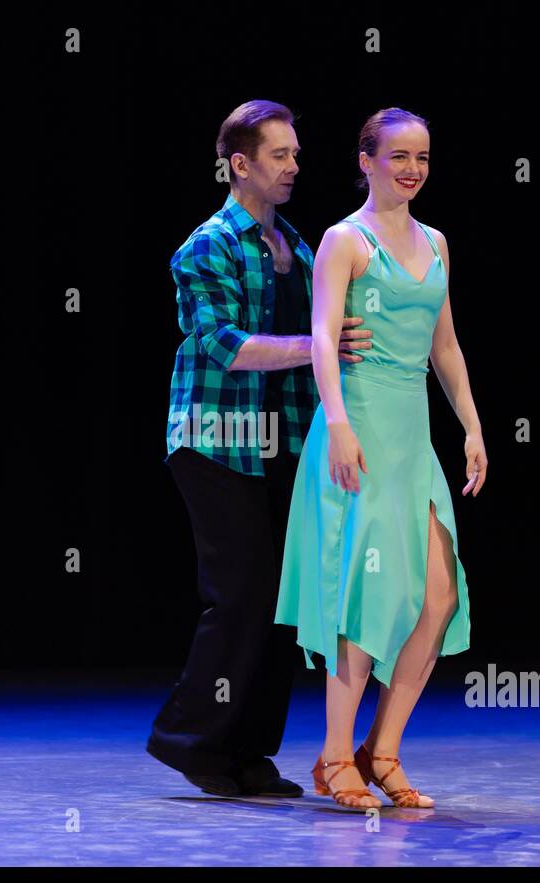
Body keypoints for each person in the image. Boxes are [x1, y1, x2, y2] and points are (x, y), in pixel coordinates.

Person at [147, 101, 375, 797]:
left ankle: (248, 751)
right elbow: (224, 347)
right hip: (216, 442)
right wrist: (318, 347)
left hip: (284, 443)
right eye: (280, 156)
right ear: (240, 164)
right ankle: (192, 740)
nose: (293, 167)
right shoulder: (206, 246)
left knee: (284, 599)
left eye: (296, 155)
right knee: (240, 592)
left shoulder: (300, 247)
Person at [274, 107, 488, 809]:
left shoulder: (437, 242)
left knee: (437, 596)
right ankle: (335, 759)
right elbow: (321, 334)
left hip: (412, 440)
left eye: (422, 156)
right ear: (365, 160)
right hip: (359, 431)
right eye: (398, 155)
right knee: (363, 602)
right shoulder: (347, 240)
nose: (412, 168)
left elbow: (446, 346)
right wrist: (335, 423)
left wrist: (473, 428)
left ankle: (380, 751)